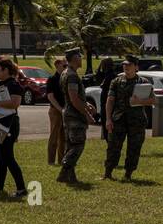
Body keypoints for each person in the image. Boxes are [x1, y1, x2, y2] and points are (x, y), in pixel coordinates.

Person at [104, 55, 155, 181]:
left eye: (129, 65)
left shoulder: (144, 83)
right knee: (113, 147)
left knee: (134, 148)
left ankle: (128, 174)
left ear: (136, 67)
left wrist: (140, 101)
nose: (126, 67)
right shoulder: (116, 81)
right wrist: (108, 119)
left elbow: (153, 100)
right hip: (119, 119)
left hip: (137, 120)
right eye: (124, 65)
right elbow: (110, 100)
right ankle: (108, 173)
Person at [0, 57, 27, 197]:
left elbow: (15, 103)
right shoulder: (1, 84)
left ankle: (21, 189)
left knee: (8, 157)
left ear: (6, 70)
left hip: (9, 125)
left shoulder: (13, 85)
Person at [58, 48, 95, 184]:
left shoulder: (66, 73)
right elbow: (73, 98)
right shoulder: (72, 75)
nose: (81, 59)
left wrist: (86, 104)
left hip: (69, 113)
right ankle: (64, 171)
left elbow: (74, 96)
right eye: (79, 56)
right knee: (78, 145)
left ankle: (70, 177)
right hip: (74, 116)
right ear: (74, 58)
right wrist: (86, 114)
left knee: (71, 145)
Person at [45, 56, 67, 165]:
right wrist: (60, 109)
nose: (66, 66)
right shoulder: (52, 79)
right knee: (54, 136)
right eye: (64, 64)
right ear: (57, 64)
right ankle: (51, 161)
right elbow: (50, 96)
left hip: (65, 111)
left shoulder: (66, 78)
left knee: (64, 137)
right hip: (55, 111)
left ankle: (62, 160)